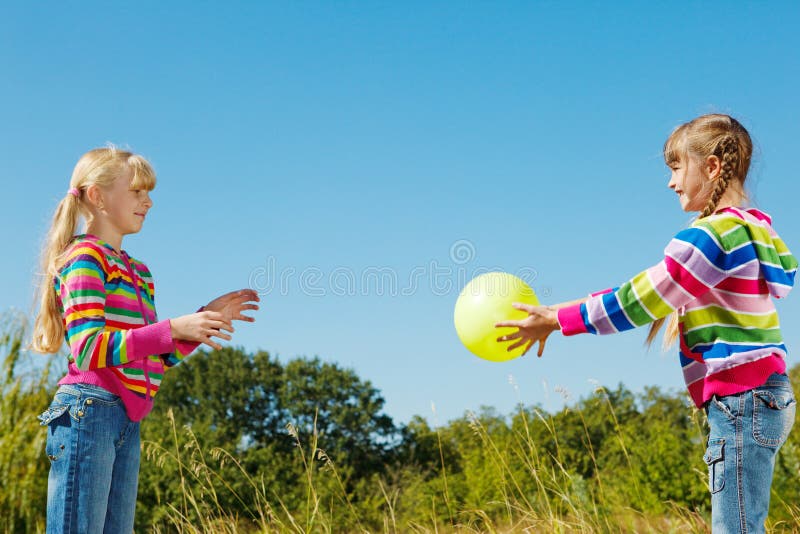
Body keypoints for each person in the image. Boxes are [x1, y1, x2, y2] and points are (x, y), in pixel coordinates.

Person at [496, 114, 797, 532]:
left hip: (742, 400)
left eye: (676, 167)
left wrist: (557, 319)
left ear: (711, 167)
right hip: (766, 396)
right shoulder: (753, 230)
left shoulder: (713, 236)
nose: (671, 182)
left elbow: (636, 301)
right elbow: (647, 294)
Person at [30, 146, 260, 533]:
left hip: (125, 418)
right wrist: (174, 328)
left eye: (148, 193)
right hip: (88, 411)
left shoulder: (139, 272)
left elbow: (153, 358)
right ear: (97, 196)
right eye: (137, 191)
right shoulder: (85, 258)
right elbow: (88, 349)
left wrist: (201, 323)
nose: (148, 202)